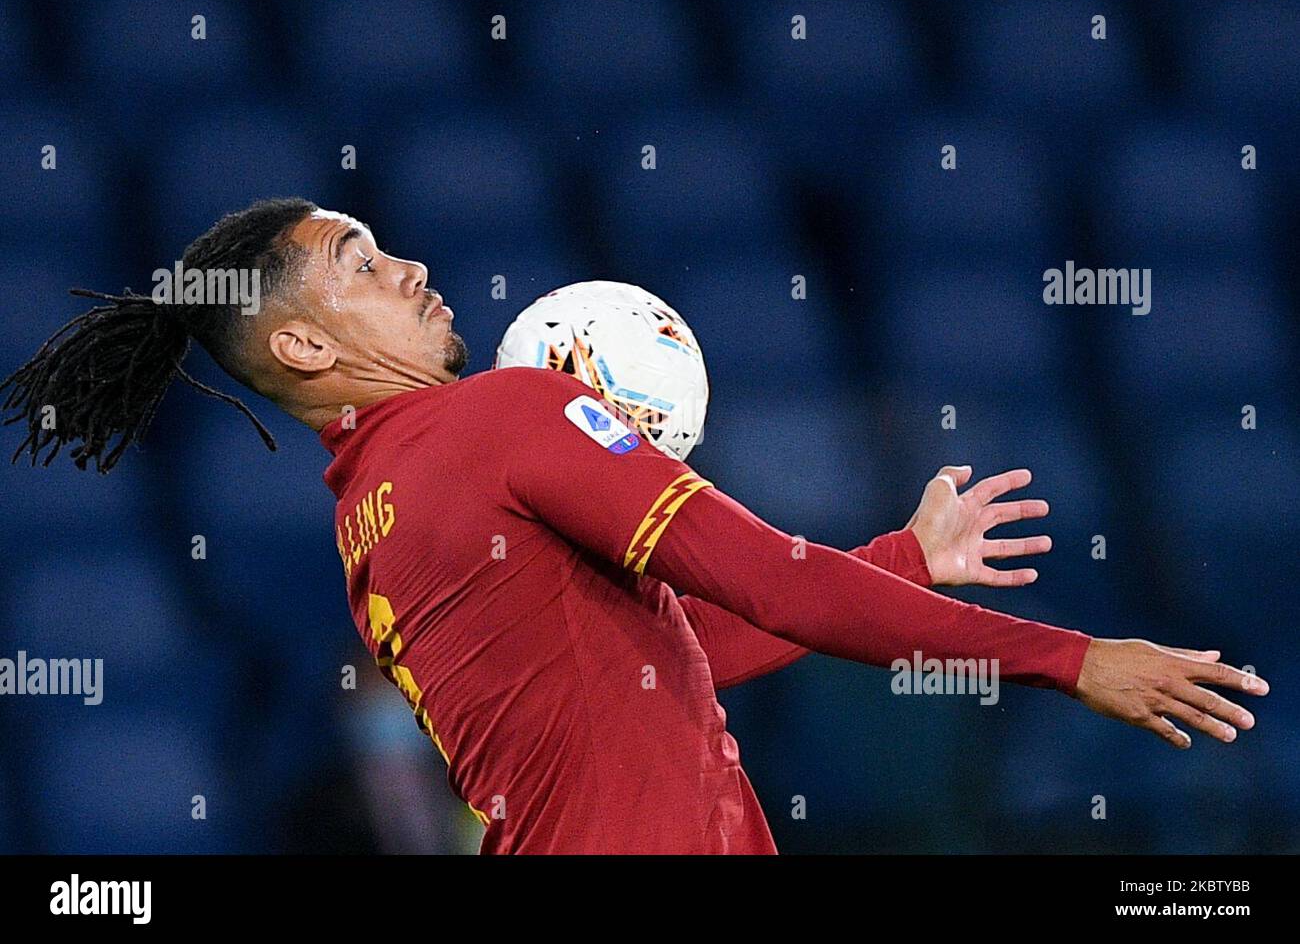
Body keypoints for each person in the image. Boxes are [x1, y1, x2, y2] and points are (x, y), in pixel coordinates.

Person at [2, 198, 1269, 854]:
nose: (406, 269)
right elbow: (768, 580)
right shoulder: (500, 417)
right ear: (300, 342)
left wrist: (894, 564)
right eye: (360, 262)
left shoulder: (369, 525)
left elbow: (657, 660)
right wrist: (1068, 657)